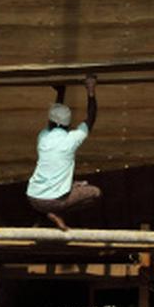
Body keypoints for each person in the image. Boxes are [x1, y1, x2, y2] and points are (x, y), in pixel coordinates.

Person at [26, 75, 100, 231]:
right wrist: (90, 90)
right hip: (53, 201)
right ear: (68, 124)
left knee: (66, 188)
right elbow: (90, 118)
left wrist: (61, 91)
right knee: (95, 193)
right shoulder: (71, 139)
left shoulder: (43, 136)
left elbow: (54, 118)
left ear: (50, 122)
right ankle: (55, 214)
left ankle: (46, 216)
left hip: (32, 198)